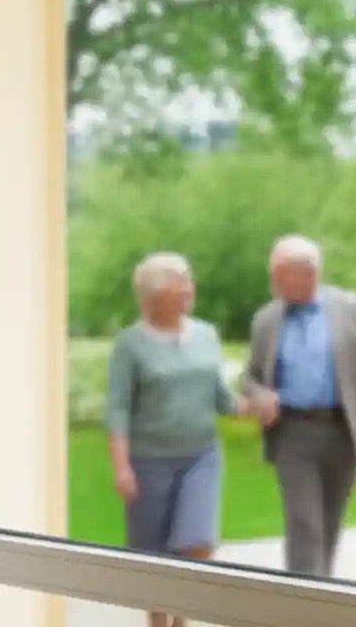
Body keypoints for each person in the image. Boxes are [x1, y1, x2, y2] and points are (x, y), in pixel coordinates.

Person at [243, 235, 356, 577]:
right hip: (292, 432)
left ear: (309, 274)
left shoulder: (352, 310)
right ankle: (306, 598)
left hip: (343, 432)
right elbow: (249, 377)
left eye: (281, 275)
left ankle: (319, 591)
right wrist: (259, 396)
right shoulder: (267, 320)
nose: (274, 282)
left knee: (328, 523)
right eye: (274, 274)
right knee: (304, 524)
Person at [106, 252, 250, 627]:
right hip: (149, 460)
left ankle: (181, 620)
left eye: (189, 281)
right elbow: (118, 409)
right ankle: (158, 622)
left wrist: (252, 406)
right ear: (154, 296)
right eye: (180, 283)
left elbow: (220, 397)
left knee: (197, 542)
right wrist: (121, 467)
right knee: (153, 554)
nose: (189, 290)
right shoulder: (130, 345)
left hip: (201, 454)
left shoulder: (206, 335)